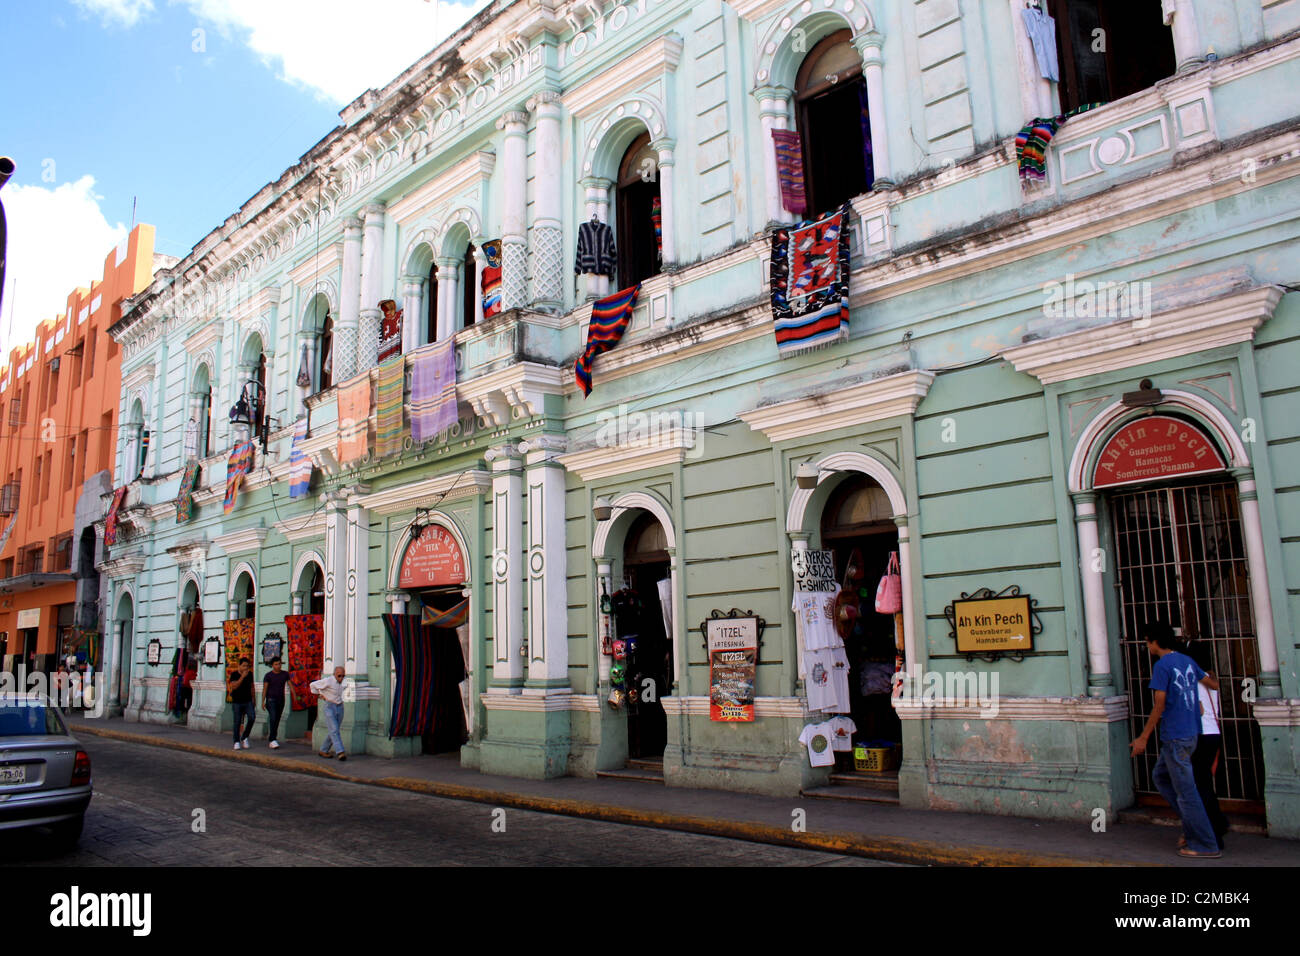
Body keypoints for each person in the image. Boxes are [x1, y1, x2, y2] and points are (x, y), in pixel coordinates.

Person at [1129, 621, 1221, 858]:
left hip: (1176, 736)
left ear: (1154, 641)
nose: (1147, 646)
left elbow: (1159, 704)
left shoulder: (1163, 666)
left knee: (1187, 792)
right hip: (1191, 733)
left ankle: (1204, 843)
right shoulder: (1187, 661)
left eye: (1147, 641)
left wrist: (1143, 736)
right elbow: (1212, 683)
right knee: (1161, 776)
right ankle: (1193, 824)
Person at [1187, 641, 1229, 850]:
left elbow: (1199, 710)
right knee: (1204, 784)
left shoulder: (1195, 678)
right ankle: (1218, 823)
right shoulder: (1211, 677)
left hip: (1201, 735)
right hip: (1214, 733)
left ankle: (1212, 833)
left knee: (1199, 786)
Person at [309, 666, 347, 761]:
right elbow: (312, 685)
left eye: (343, 676)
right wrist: (319, 694)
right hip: (330, 707)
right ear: (334, 674)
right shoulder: (328, 681)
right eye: (339, 676)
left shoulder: (344, 682)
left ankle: (323, 750)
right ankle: (340, 752)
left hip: (340, 707)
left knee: (334, 730)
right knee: (334, 730)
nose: (341, 678)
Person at [227, 657, 256, 750]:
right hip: (237, 702)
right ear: (239, 666)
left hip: (248, 701)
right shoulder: (234, 674)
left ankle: (245, 737)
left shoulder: (250, 674)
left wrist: (254, 698)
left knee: (252, 717)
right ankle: (236, 741)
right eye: (244, 666)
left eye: (247, 666)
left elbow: (252, 687)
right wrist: (242, 676)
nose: (246, 668)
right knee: (237, 722)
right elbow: (234, 686)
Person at [262, 656, 291, 749]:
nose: (278, 666)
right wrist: (263, 701)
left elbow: (290, 684)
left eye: (279, 664)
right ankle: (272, 739)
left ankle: (273, 738)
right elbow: (265, 689)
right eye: (276, 664)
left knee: (277, 719)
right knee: (273, 718)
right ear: (272, 665)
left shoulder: (285, 674)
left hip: (281, 700)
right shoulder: (268, 676)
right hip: (271, 700)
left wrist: (294, 695)